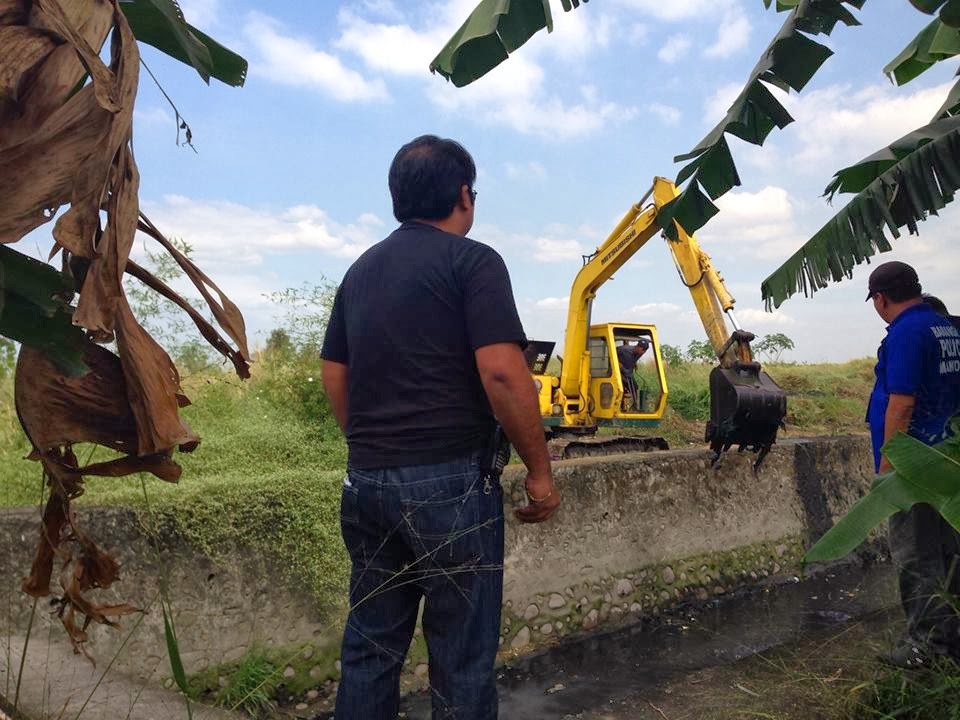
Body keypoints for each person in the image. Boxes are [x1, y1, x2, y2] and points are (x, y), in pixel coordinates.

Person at [320, 135, 560, 719]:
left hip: (367, 483)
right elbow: (503, 374)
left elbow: (334, 374)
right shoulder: (473, 261)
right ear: (463, 196)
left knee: (371, 647)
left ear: (397, 198)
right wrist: (540, 471)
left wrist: (372, 447)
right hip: (451, 485)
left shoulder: (360, 271)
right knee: (461, 655)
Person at [865, 261, 960, 667]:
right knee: (947, 551)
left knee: (917, 556)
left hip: (915, 468)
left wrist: (889, 468)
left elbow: (901, 405)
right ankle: (951, 640)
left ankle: (927, 647)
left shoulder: (906, 333)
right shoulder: (948, 328)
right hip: (945, 459)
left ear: (881, 299)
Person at [616, 338, 649, 411]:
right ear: (638, 347)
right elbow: (611, 352)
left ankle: (634, 407)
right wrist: (616, 362)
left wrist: (634, 363)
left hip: (628, 373)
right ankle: (619, 408)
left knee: (635, 387)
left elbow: (632, 359)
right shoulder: (623, 349)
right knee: (620, 389)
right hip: (618, 373)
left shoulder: (639, 353)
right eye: (643, 350)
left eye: (645, 351)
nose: (643, 352)